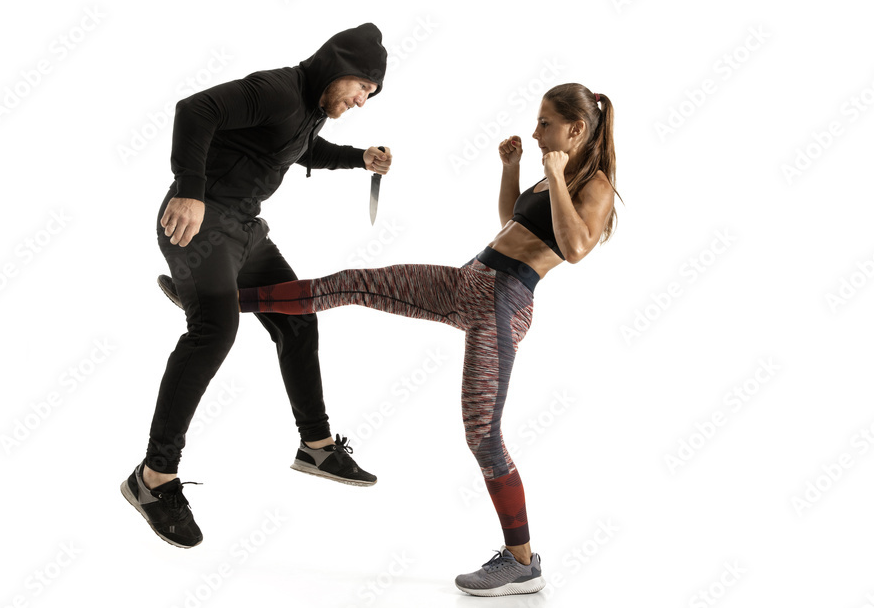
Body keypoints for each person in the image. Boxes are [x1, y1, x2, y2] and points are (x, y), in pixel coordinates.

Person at [234, 83, 622, 596]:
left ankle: (522, 561)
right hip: (468, 282)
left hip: (503, 305)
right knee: (357, 282)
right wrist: (512, 170)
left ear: (575, 128)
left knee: (483, 436)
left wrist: (551, 172)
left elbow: (574, 248)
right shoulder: (559, 173)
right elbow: (513, 222)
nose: (535, 131)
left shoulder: (593, 185)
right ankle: (224, 303)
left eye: (545, 124)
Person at [121, 23, 393, 549]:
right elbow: (195, 109)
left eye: (370, 97)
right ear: (340, 67)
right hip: (200, 226)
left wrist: (359, 157)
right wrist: (190, 190)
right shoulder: (277, 90)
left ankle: (315, 446)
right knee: (214, 331)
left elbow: (298, 151)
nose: (362, 101)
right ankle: (153, 479)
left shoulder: (307, 110)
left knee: (297, 314)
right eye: (363, 88)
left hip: (246, 232)